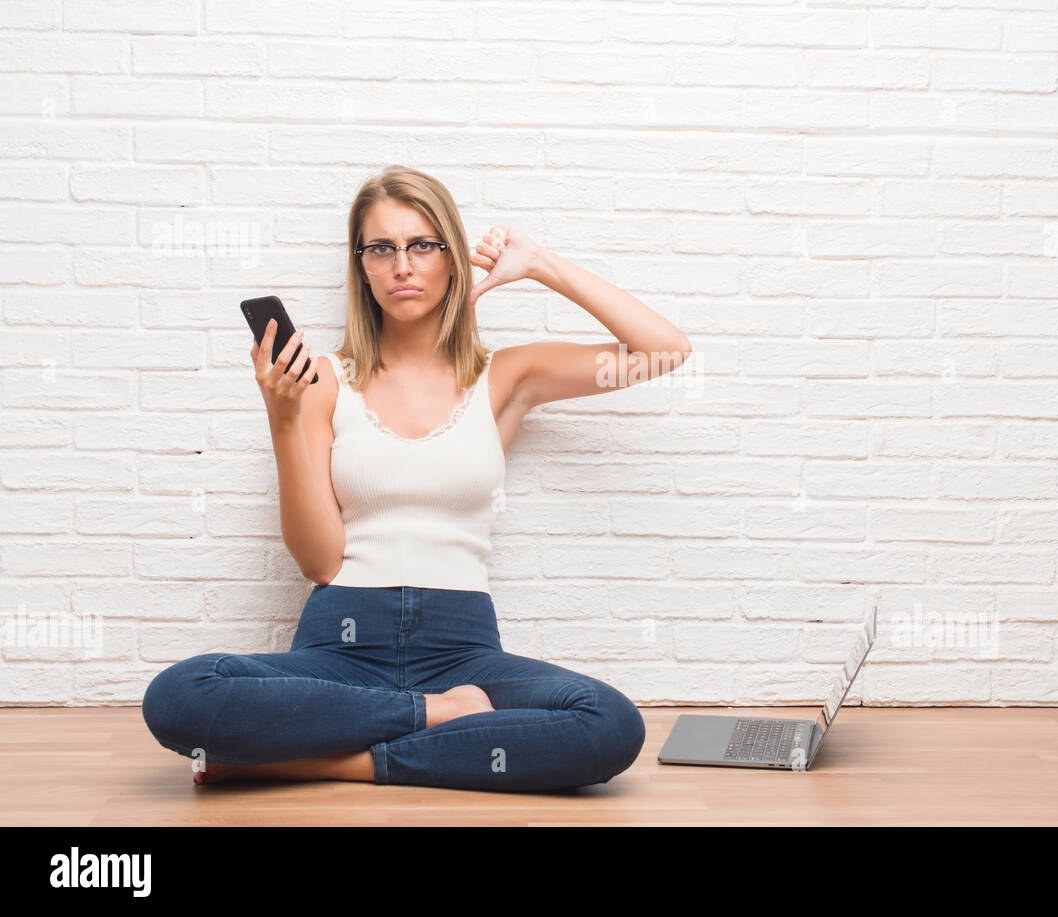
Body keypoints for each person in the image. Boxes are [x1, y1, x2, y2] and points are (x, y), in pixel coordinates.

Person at [141, 165, 692, 792]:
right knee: (180, 695)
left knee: (609, 724)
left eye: (422, 245)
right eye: (382, 248)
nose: (403, 265)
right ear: (364, 267)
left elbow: (664, 352)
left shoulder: (506, 376)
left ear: (452, 259)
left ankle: (321, 760)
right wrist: (283, 416)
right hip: (339, 648)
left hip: (462, 654)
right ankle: (437, 720)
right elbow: (321, 562)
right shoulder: (320, 380)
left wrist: (541, 264)